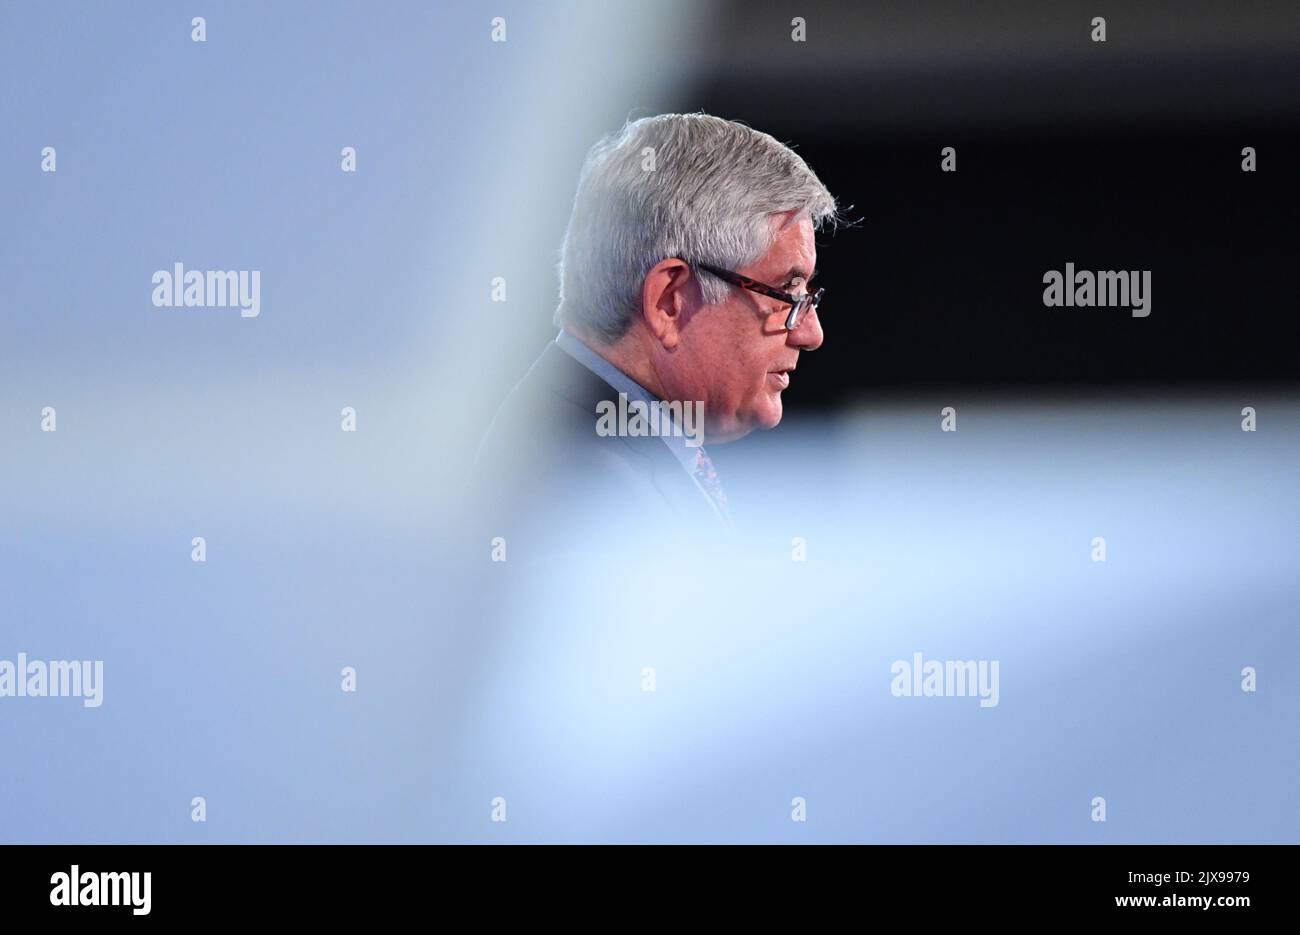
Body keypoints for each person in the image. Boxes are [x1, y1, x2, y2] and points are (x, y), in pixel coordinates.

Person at [472, 112, 842, 557]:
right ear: (669, 301)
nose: (810, 332)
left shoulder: (594, 444)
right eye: (786, 291)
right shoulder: (591, 491)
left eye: (807, 295)